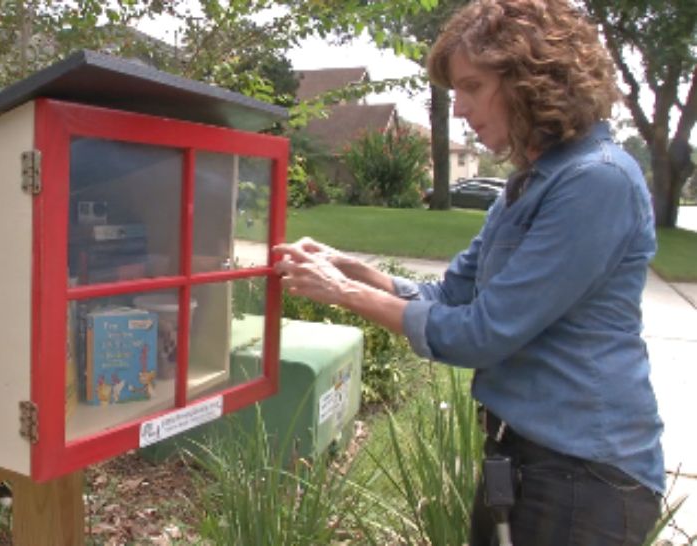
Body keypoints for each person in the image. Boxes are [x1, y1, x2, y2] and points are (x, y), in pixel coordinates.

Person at [274, 0, 664, 544]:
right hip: (525, 459)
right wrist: (350, 269)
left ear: (532, 78)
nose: (458, 109)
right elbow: (450, 294)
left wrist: (341, 294)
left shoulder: (596, 182)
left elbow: (483, 333)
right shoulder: (528, 185)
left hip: (584, 475)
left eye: (472, 86)